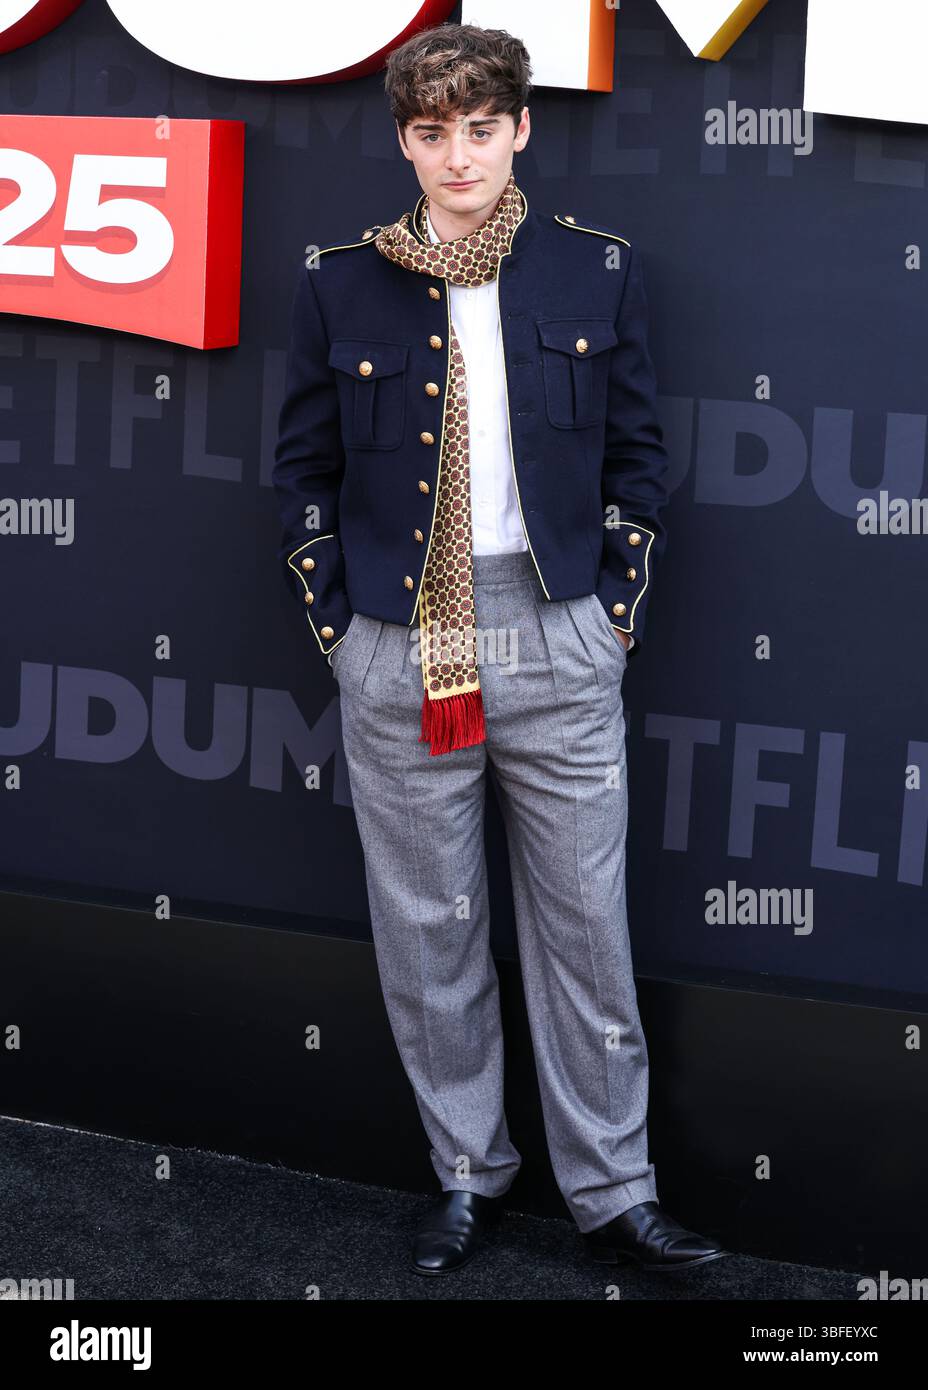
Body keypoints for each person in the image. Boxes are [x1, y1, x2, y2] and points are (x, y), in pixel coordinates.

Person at [273, 21, 727, 1277]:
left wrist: (607, 619)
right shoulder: (337, 281)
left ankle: (615, 1192)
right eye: (432, 132)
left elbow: (639, 464)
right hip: (401, 638)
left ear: (520, 129)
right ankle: (467, 1173)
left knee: (585, 926)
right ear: (403, 139)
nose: (457, 155)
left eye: (481, 128)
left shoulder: (598, 273)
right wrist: (342, 626)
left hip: (555, 628)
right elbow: (299, 472)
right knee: (429, 928)